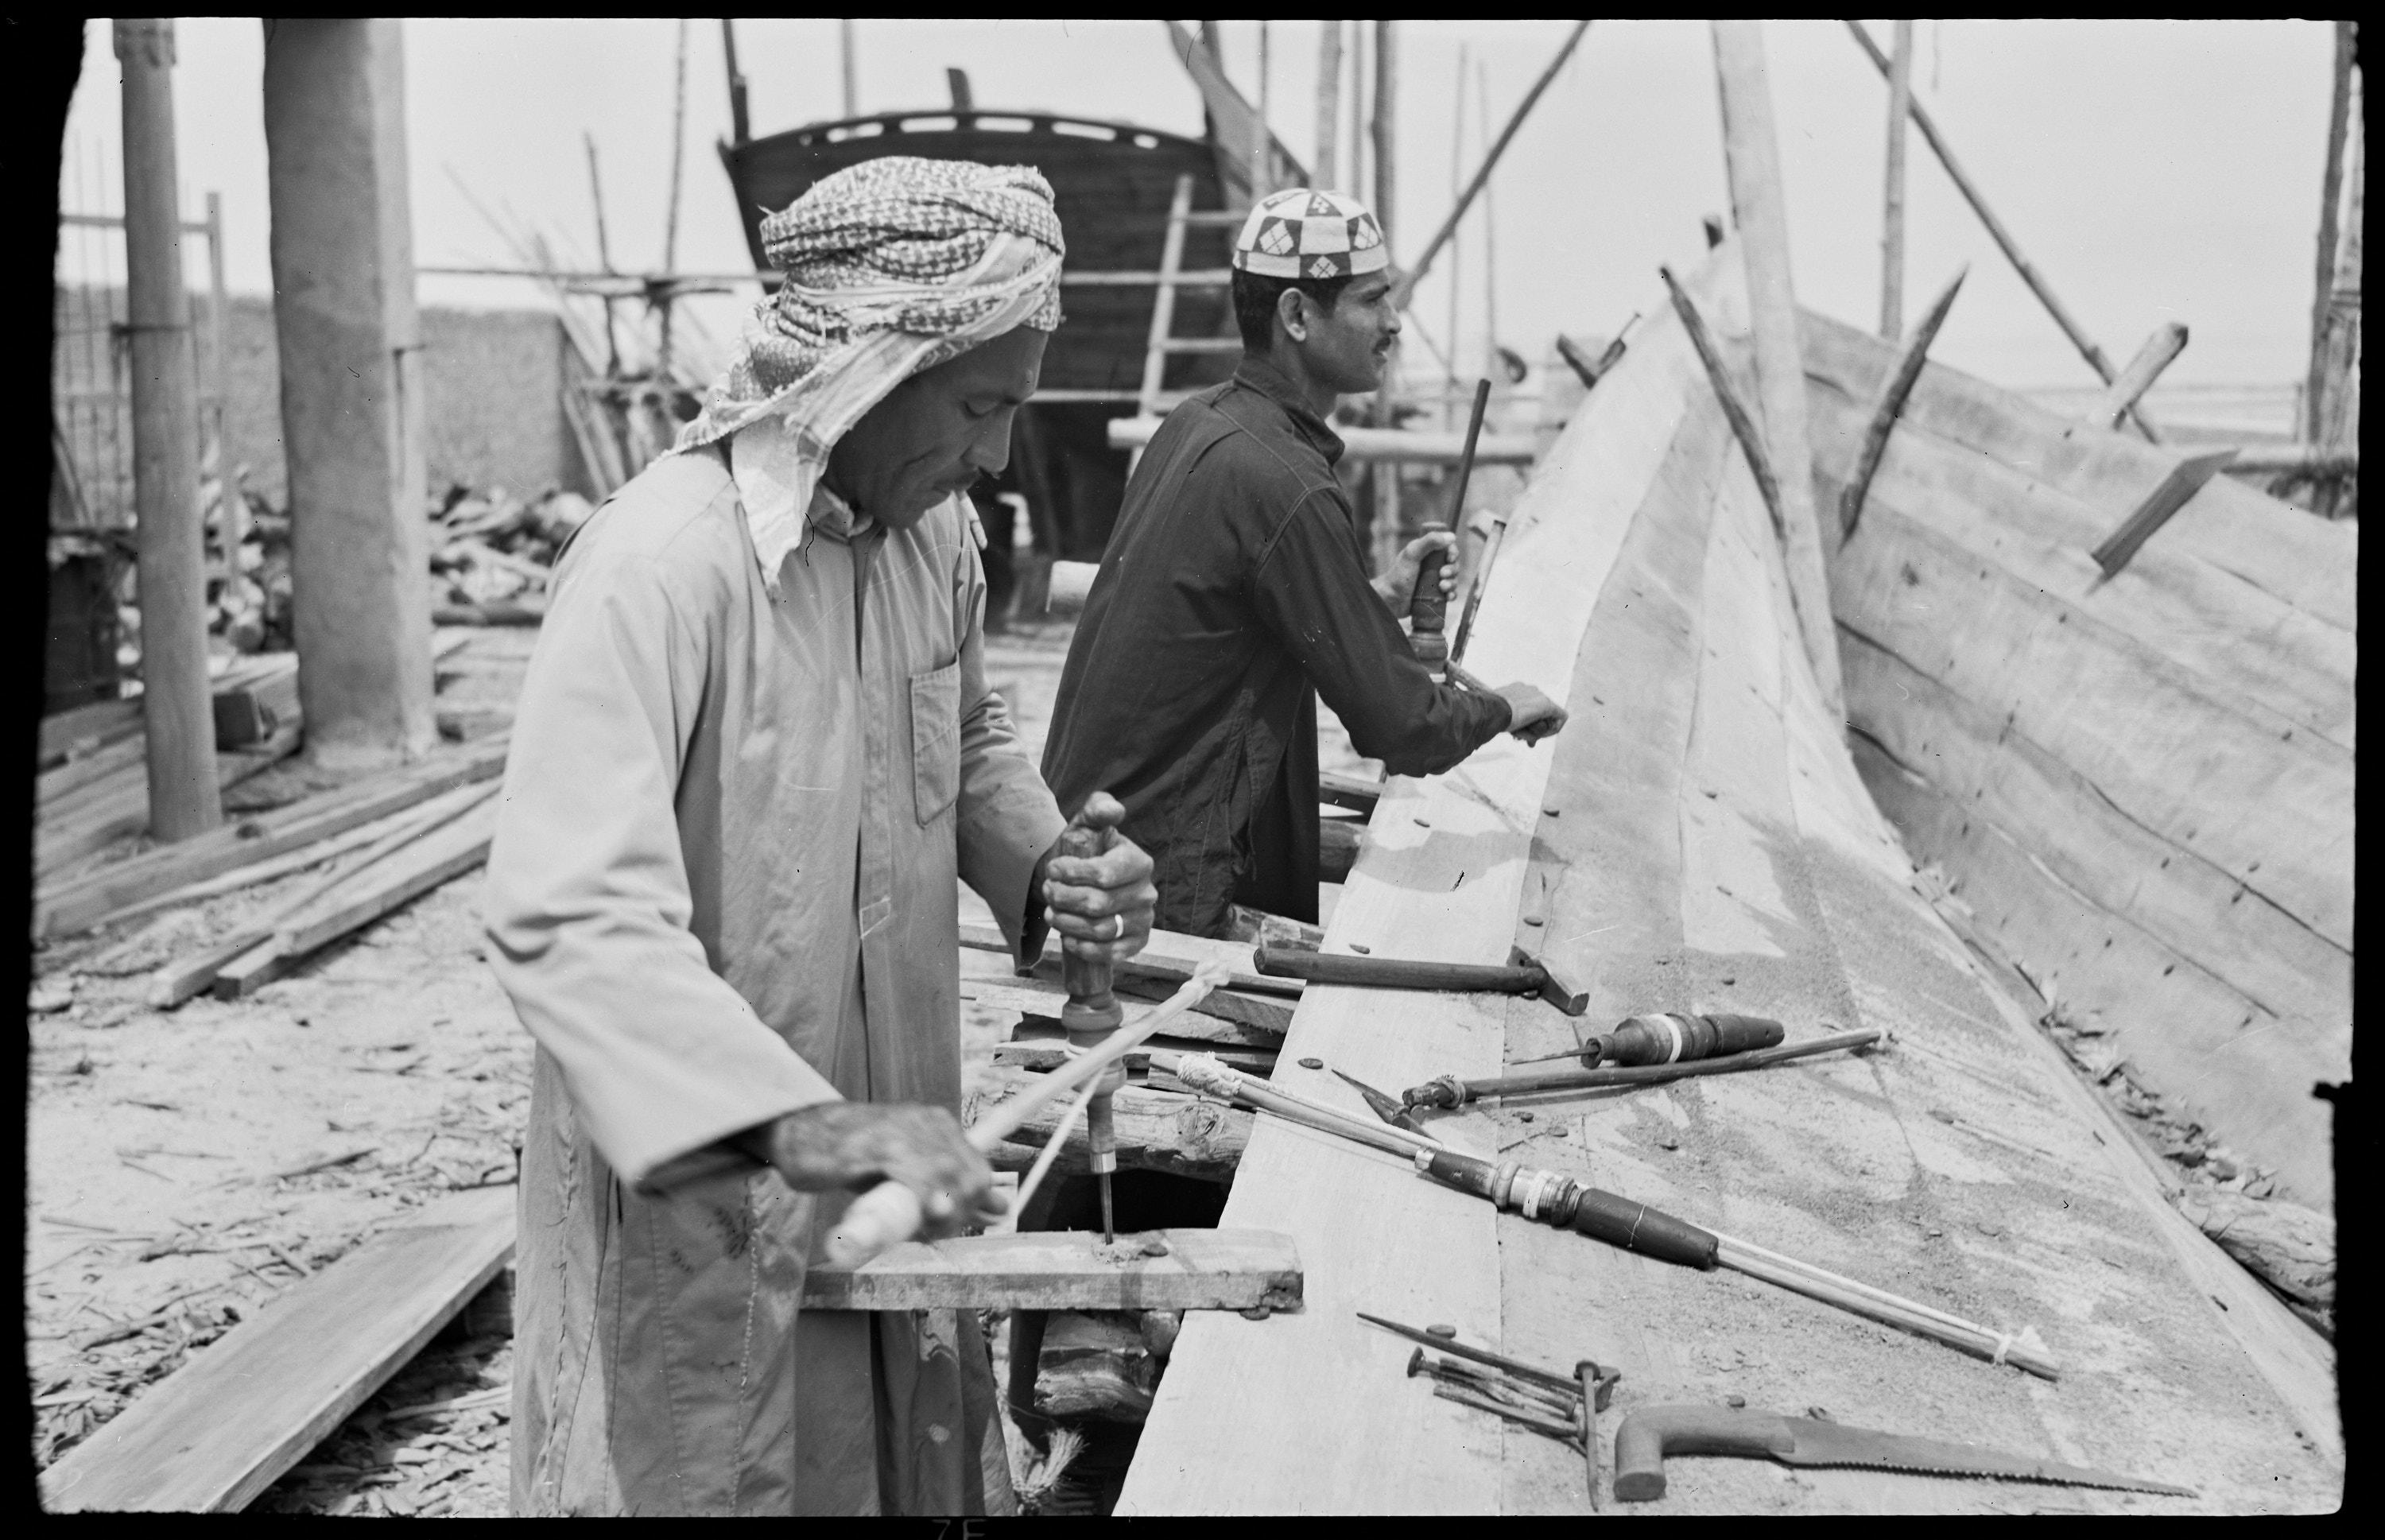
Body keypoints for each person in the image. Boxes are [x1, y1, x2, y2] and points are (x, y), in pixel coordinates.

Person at [482, 156, 1158, 1518]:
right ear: (869, 365)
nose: (998, 454)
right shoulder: (662, 569)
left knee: (898, 1460)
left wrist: (1049, 872)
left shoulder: (934, 539)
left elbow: (962, 742)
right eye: (981, 405)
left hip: (887, 1146)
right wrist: (807, 1123)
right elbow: (569, 921)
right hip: (711, 1188)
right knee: (716, 1467)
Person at [1040, 186, 1568, 939]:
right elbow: (1401, 726)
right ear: (1296, 316)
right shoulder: (1288, 484)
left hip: (1085, 848)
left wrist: (1369, 597)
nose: (1393, 325)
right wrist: (1504, 705)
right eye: (1372, 301)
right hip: (1153, 893)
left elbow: (1232, 608)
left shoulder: (1196, 423)